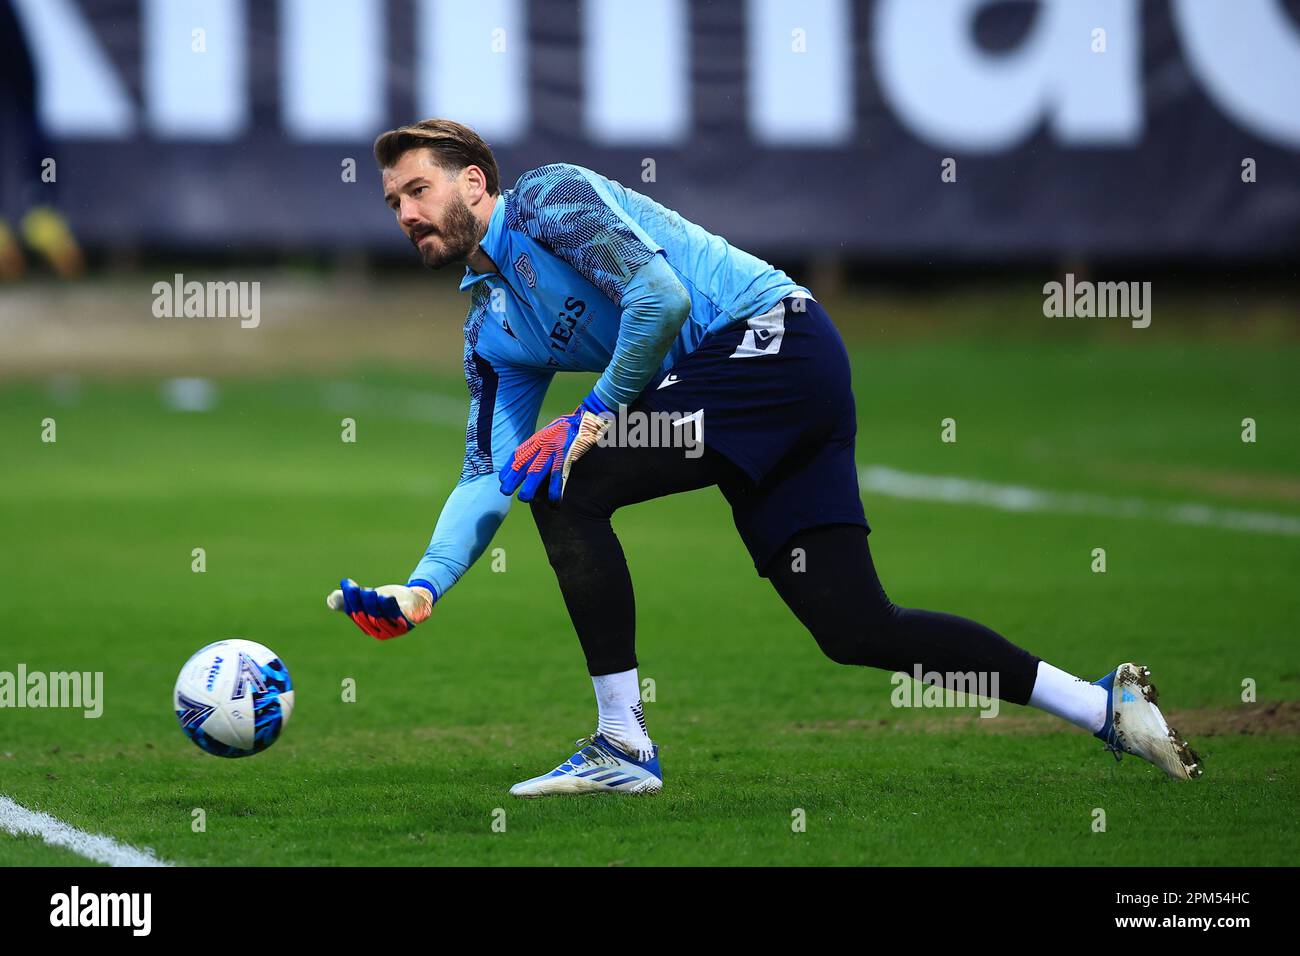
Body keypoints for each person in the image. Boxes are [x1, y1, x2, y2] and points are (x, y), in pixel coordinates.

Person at [328, 119, 1201, 795]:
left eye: (416, 190)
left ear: (473, 184)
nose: (404, 213)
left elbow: (659, 299)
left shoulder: (550, 200)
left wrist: (593, 414)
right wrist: (423, 585)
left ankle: (623, 743)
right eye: (391, 202)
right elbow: (485, 472)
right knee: (855, 628)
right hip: (763, 393)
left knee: (566, 487)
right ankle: (1102, 708)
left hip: (775, 344)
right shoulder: (490, 331)